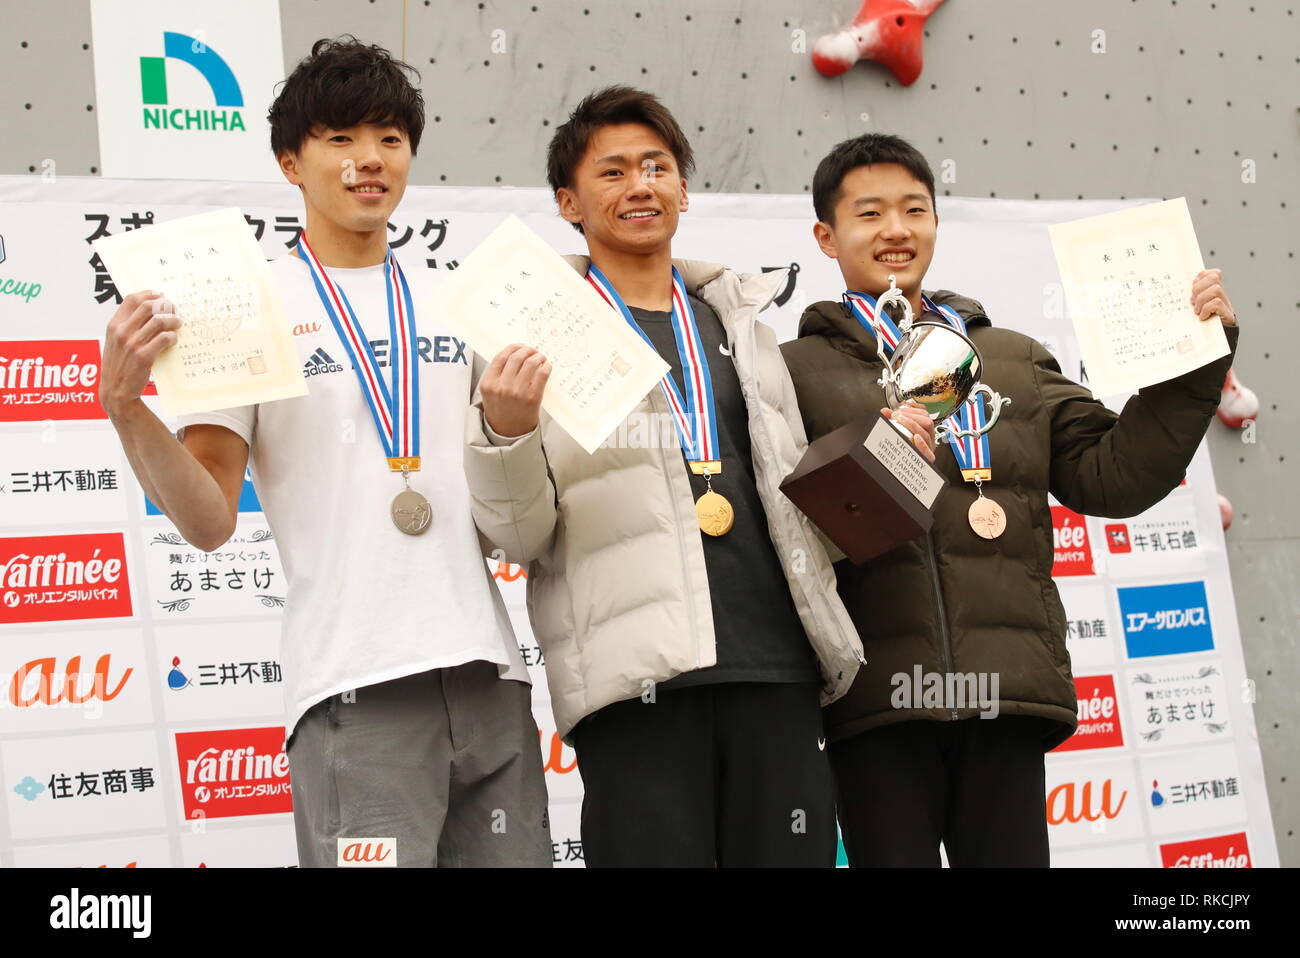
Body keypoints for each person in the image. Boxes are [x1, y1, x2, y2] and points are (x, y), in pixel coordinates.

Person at [97, 36, 550, 868]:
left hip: (490, 678)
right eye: (339, 139)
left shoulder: (463, 301)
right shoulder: (244, 309)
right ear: (290, 162)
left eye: (388, 138)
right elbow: (206, 521)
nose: (368, 161)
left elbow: (526, 497)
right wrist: (127, 409)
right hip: (355, 685)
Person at [463, 87, 930, 867]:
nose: (640, 185)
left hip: (778, 669)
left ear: (684, 188)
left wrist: (891, 463)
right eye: (612, 172)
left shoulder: (742, 321)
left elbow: (803, 520)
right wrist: (504, 431)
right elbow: (518, 534)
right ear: (567, 202)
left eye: (658, 166)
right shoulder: (526, 340)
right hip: (638, 685)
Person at [780, 133, 1240, 867]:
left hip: (1006, 692)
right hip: (873, 702)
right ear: (827, 236)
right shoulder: (790, 373)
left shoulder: (1013, 358)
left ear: (935, 222)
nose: (896, 229)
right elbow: (789, 534)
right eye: (870, 214)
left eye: (914, 209)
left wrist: (1191, 364)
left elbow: (1112, 475)